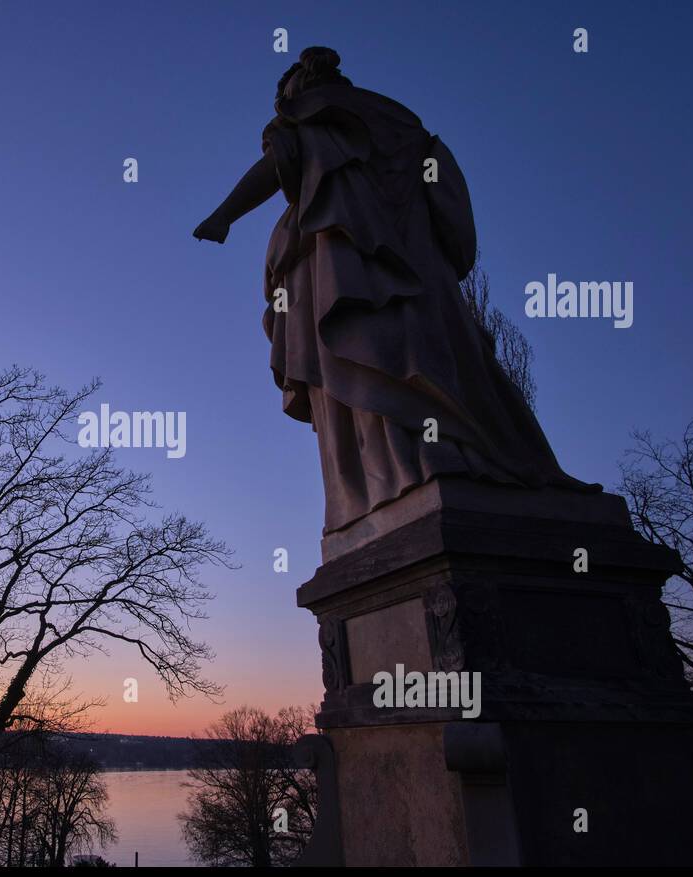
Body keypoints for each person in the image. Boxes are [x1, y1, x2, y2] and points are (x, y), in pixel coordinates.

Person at [195, 47, 597, 534]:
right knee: (438, 362)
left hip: (341, 264)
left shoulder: (312, 120)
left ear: (294, 94)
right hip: (416, 268)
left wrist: (222, 216)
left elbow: (278, 165)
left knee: (362, 359)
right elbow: (450, 206)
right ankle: (449, 460)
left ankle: (389, 482)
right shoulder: (399, 124)